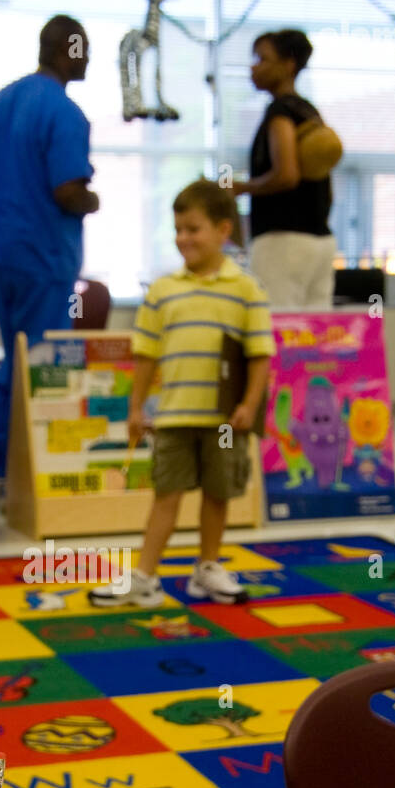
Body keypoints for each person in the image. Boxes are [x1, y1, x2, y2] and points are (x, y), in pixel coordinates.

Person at [90, 179, 274, 609]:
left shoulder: (247, 289)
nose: (183, 238)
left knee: (218, 493)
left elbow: (261, 354)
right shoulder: (162, 290)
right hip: (173, 416)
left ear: (223, 230)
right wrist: (136, 407)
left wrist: (249, 404)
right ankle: (145, 577)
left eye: (193, 229)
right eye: (178, 229)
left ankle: (207, 568)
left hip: (225, 420)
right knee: (166, 495)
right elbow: (145, 355)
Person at [0, 15, 99, 486]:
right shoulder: (64, 113)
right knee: (36, 360)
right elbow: (67, 190)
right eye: (85, 49)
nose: (89, 59)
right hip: (43, 257)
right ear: (68, 50)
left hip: (0, 253)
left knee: (16, 356)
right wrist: (93, 198)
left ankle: (2, 465)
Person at [230, 29, 337, 310]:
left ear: (288, 65)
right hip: (321, 241)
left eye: (263, 59)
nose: (254, 67)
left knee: (279, 329)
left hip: (283, 241)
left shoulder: (280, 112)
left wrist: (241, 187)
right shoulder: (309, 113)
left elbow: (286, 175)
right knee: (315, 334)